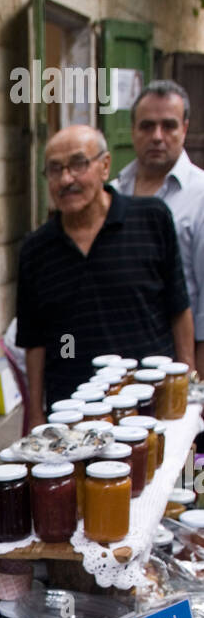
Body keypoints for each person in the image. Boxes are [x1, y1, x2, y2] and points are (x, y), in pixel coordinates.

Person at [16, 124, 194, 424]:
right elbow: (34, 341)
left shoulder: (152, 217)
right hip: (72, 413)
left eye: (78, 164)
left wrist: (187, 378)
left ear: (105, 165)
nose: (66, 179)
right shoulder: (36, 249)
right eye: (55, 169)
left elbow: (178, 308)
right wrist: (34, 411)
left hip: (149, 405)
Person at [112, 79, 204, 380]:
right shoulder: (112, 194)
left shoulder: (200, 195)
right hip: (120, 360)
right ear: (133, 130)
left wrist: (195, 379)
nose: (157, 136)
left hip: (179, 362)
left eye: (169, 126)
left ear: (185, 129)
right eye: (147, 126)